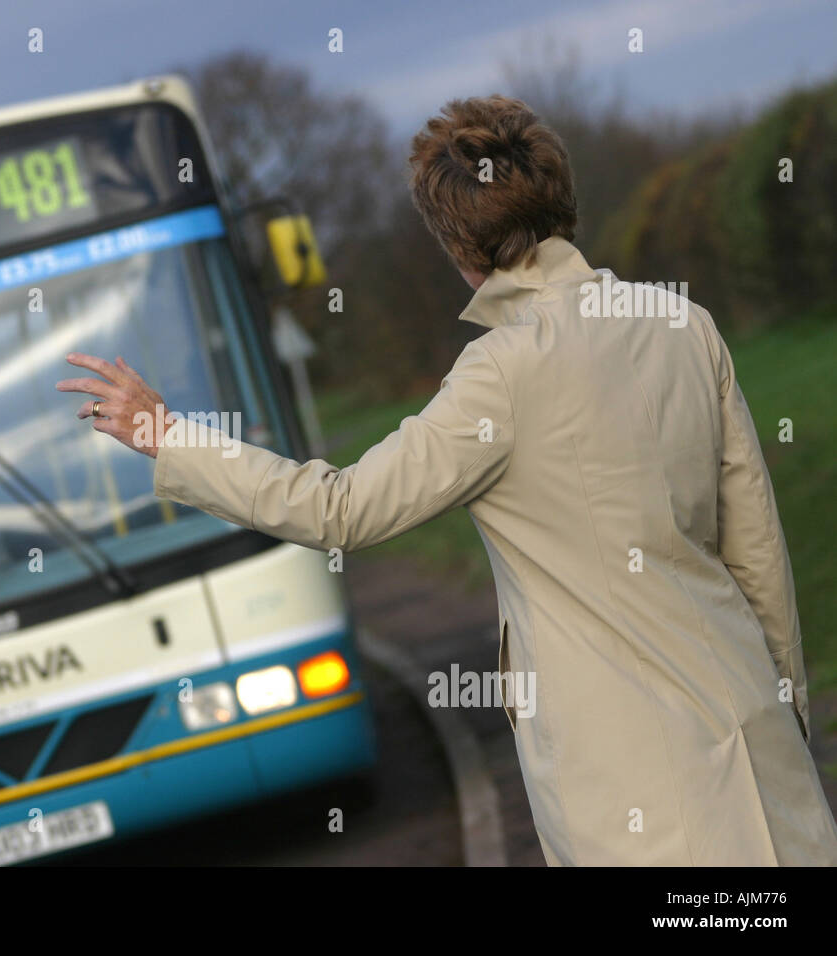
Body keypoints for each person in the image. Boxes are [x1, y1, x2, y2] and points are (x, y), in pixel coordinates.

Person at [55, 95, 837, 866]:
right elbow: (758, 552)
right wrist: (787, 710)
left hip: (642, 796)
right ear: (561, 200)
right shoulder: (683, 324)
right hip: (760, 743)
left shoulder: (501, 372)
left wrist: (163, 434)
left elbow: (340, 510)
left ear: (459, 247)